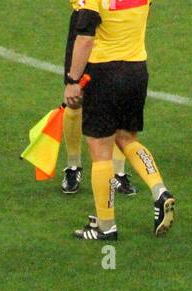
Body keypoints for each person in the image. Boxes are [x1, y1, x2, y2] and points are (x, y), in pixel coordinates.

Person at [66, 0, 176, 241]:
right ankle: (159, 189)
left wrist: (73, 80)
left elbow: (85, 37)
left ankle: (105, 225)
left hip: (104, 72)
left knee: (100, 150)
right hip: (137, 70)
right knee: (126, 139)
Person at [59, 1, 134, 197]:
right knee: (76, 99)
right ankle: (73, 166)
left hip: (120, 22)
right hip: (87, 18)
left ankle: (118, 171)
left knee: (116, 99)